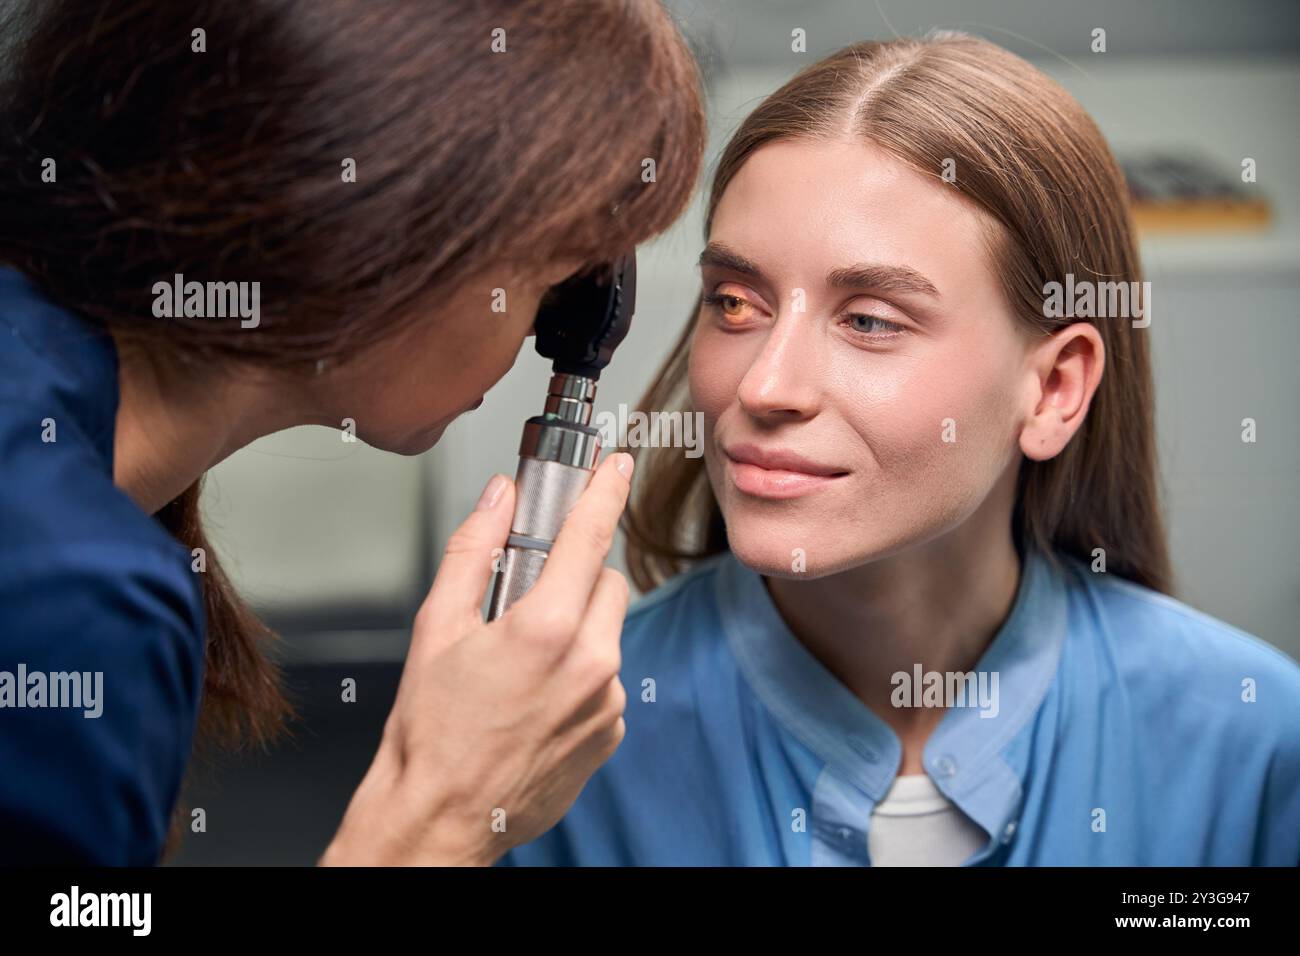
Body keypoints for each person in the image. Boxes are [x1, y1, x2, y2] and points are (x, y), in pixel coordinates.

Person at [500, 33, 1300, 866]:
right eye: (736, 303)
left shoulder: (1253, 738)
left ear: (1056, 387)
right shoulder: (557, 734)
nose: (765, 386)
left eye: (871, 320)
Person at [0, 0, 704, 864]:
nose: (540, 331)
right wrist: (441, 811)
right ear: (383, 232)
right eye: (547, 276)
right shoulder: (69, 598)